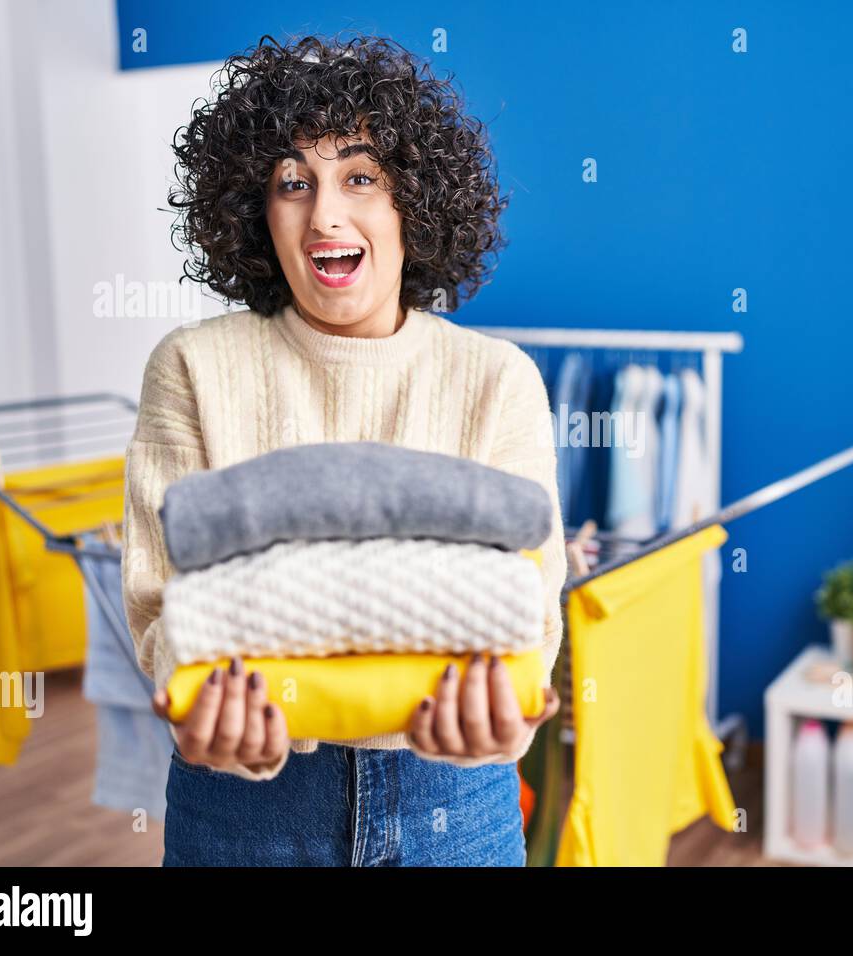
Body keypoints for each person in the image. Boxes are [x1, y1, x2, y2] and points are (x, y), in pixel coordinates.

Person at [120, 33, 566, 866]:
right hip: (243, 810)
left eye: (360, 177)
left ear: (413, 202)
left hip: (454, 808)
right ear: (257, 212)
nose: (325, 213)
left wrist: (508, 708)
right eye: (294, 183)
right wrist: (196, 701)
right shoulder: (192, 368)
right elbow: (159, 605)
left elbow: (531, 616)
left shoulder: (496, 381)